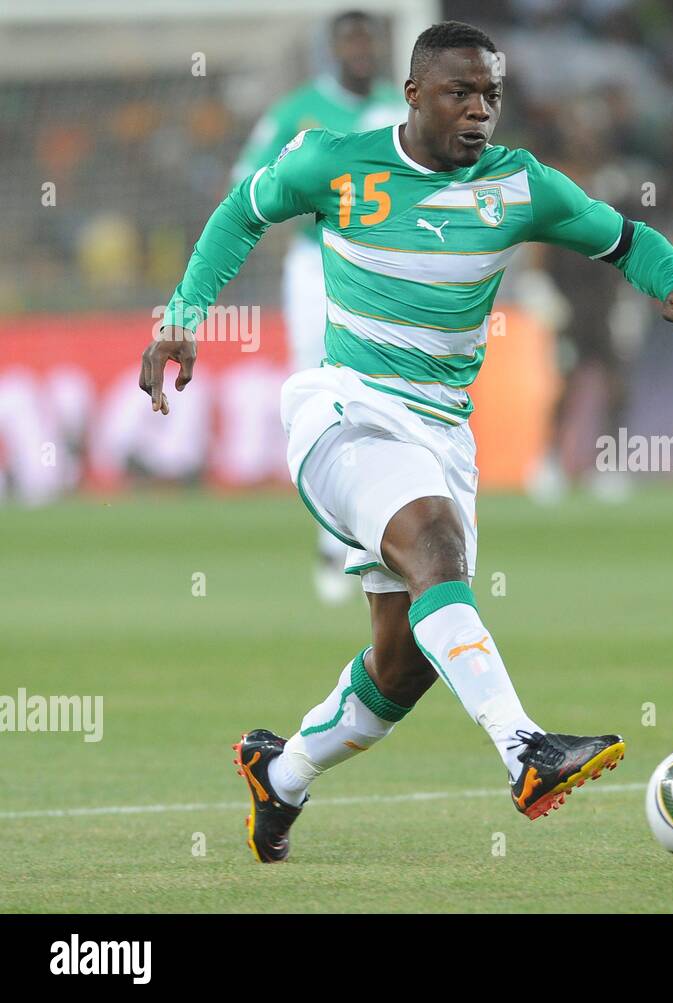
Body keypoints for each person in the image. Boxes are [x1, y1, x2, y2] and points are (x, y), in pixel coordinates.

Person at [139, 20, 673, 863]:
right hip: (345, 409)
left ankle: (283, 774)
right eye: (460, 93)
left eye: (490, 95)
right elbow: (241, 210)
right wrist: (184, 316)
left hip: (441, 434)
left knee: (402, 663)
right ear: (414, 96)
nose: (480, 111)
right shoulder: (334, 162)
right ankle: (526, 750)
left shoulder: (521, 186)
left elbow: (626, 240)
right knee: (436, 548)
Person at [232, 10, 408, 604]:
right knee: (322, 388)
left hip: (386, 268)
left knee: (381, 390)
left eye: (368, 39)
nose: (361, 49)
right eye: (350, 40)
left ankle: (383, 530)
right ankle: (333, 541)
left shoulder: (400, 108)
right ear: (332, 50)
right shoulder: (297, 113)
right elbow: (246, 182)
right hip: (316, 265)